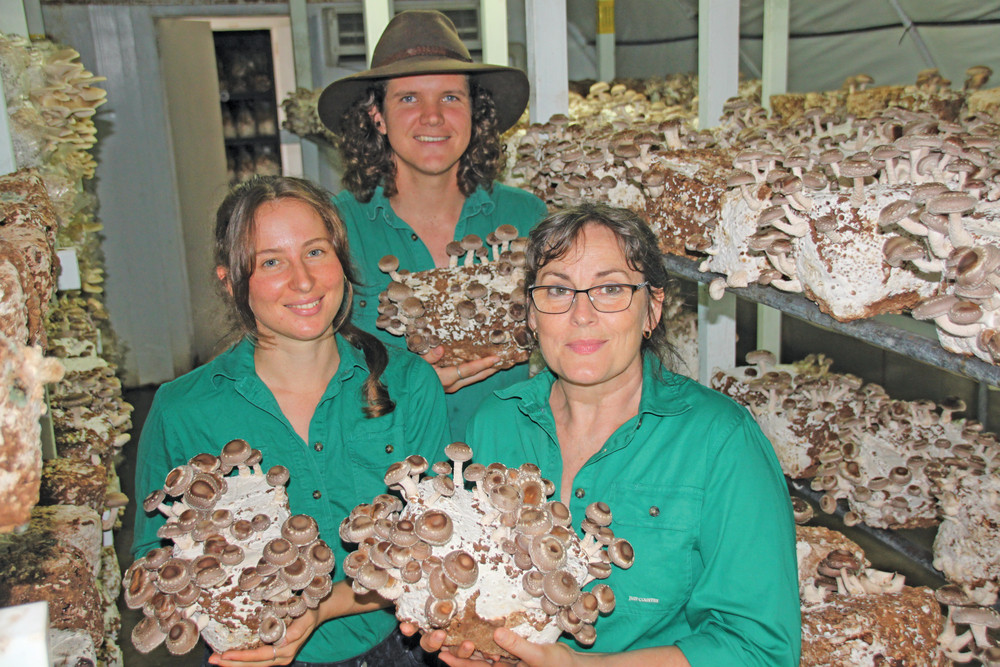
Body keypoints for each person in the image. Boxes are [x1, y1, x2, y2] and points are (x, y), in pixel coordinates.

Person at [414, 203, 801, 665]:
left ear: (652, 309)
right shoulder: (496, 422)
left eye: (611, 288)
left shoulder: (721, 441)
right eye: (558, 290)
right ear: (533, 315)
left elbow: (761, 650)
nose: (582, 314)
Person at [131, 176, 449, 666]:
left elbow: (436, 543)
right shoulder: (182, 409)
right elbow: (153, 559)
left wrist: (320, 608)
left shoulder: (408, 384)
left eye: (317, 252)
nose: (303, 281)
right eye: (271, 262)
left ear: (343, 262)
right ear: (231, 280)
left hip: (400, 645)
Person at [317, 9, 548, 438]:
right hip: (386, 465)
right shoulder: (337, 228)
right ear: (376, 116)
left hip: (509, 465)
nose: (433, 116)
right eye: (408, 98)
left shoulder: (527, 218)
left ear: (475, 114)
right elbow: (309, 372)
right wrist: (407, 386)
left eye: (450, 97)